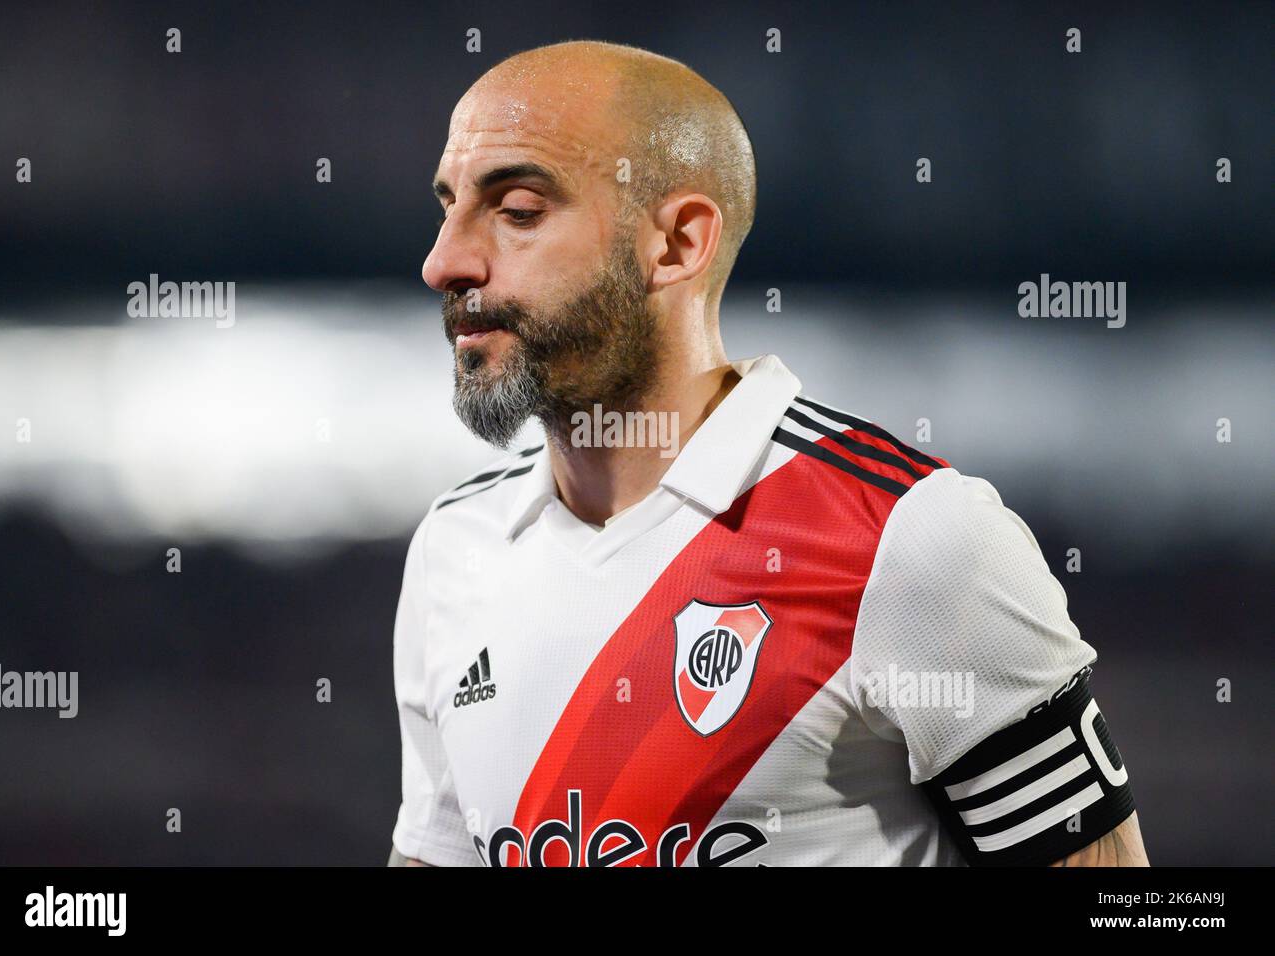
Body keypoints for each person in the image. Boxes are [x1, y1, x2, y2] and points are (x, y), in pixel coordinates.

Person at [390, 40, 1147, 867]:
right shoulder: (453, 549)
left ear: (678, 244)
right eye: (448, 206)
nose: (444, 262)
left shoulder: (912, 541)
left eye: (519, 211)